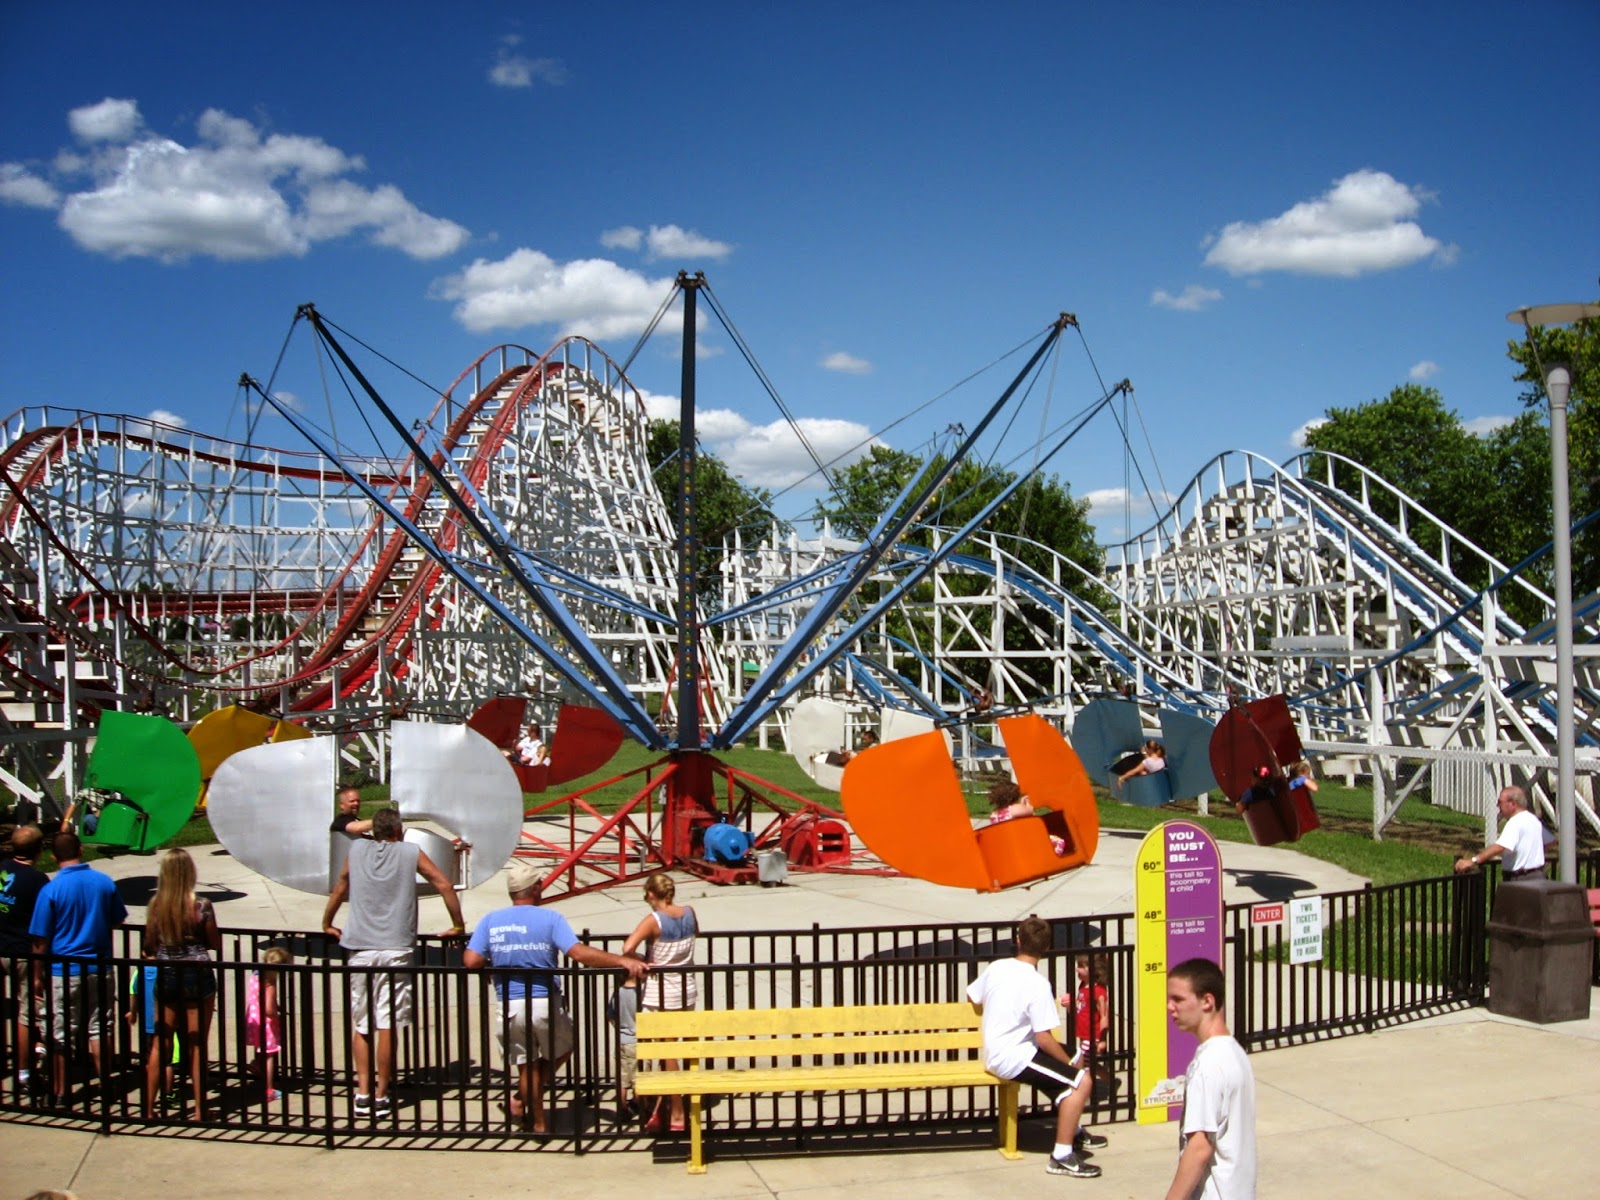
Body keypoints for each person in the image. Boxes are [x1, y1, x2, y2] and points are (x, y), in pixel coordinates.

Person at [463, 862, 646, 1133]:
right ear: (535, 889)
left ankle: (526, 1107)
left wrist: (495, 963)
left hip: (510, 1003)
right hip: (544, 999)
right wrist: (620, 961)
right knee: (561, 1049)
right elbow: (578, 953)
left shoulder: (491, 920)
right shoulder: (550, 918)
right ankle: (533, 1114)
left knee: (527, 1065)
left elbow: (471, 959)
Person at [322, 806, 465, 1118]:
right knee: (387, 1022)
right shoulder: (409, 853)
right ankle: (382, 1093)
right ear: (398, 832)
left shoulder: (358, 849)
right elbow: (443, 883)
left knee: (362, 1023)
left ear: (374, 831)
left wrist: (327, 921)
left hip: (359, 943)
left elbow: (341, 885)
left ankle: (362, 1092)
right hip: (395, 946)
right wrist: (457, 924)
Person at [965, 916, 1105, 1179]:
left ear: (1017, 941)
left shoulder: (997, 967)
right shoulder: (1038, 984)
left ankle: (1072, 1129)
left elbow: (972, 995)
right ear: (1048, 947)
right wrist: (1067, 1065)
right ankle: (1061, 1156)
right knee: (1081, 1081)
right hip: (1013, 1056)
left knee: (1076, 1055)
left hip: (1006, 1048)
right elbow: (1045, 1039)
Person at [29, 831, 127, 1104]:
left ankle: (60, 1092)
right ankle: (106, 1084)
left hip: (64, 970)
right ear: (81, 850)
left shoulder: (51, 890)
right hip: (99, 967)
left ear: (53, 857)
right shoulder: (104, 882)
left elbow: (40, 939)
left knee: (60, 1033)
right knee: (101, 1027)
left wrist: (38, 975)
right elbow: (117, 919)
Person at [1164, 957, 1256, 1200]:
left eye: (1178, 999)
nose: (1169, 1007)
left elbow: (1199, 1148)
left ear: (1207, 1001)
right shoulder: (1234, 1052)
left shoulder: (1207, 1065)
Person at [142, 847, 221, 1121]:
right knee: (196, 1043)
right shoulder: (201, 906)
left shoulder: (156, 906)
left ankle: (149, 1108)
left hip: (167, 971)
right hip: (197, 973)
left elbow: (149, 944)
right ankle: (200, 1110)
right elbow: (214, 942)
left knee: (160, 1042)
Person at [621, 872, 699, 1133]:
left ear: (652, 895)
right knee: (685, 1048)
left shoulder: (653, 920)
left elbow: (627, 947)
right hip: (686, 986)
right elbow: (696, 933)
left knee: (665, 1051)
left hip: (660, 990)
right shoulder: (689, 912)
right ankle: (680, 1100)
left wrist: (643, 959)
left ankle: (676, 1109)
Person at [2, 824, 49, 1091]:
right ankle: (24, 1074)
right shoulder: (37, 880)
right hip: (23, 953)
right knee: (26, 1015)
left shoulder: (2, 868)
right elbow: (42, 924)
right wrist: (37, 972)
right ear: (38, 849)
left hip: (2, 946)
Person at [1454, 785, 1546, 880]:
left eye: (1500, 802)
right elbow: (1550, 841)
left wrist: (1472, 861)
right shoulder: (1534, 820)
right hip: (1538, 876)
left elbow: (1499, 847)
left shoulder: (1515, 822)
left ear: (1513, 804)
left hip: (1520, 879)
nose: (1498, 806)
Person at [1060, 952, 1109, 1101]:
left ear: (1093, 970)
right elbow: (1081, 1009)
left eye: (1081, 966)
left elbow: (1104, 1016)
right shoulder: (1083, 986)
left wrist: (1102, 1039)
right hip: (1083, 1033)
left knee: (1083, 1066)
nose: (1077, 970)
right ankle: (1110, 1083)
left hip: (1092, 1036)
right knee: (1091, 1064)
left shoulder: (1099, 992)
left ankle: (1084, 1093)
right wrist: (1070, 1006)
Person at [246, 946, 293, 1102]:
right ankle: (269, 1089)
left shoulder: (256, 975)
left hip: (253, 1018)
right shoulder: (270, 984)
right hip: (266, 1023)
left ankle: (256, 1064)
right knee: (270, 1055)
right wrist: (277, 1014)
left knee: (261, 1049)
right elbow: (269, 1008)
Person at [987, 780, 1067, 856]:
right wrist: (1026, 801)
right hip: (1024, 838)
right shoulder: (1014, 809)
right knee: (1059, 841)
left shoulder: (994, 814)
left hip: (1010, 842)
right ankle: (1051, 856)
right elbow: (1031, 811)